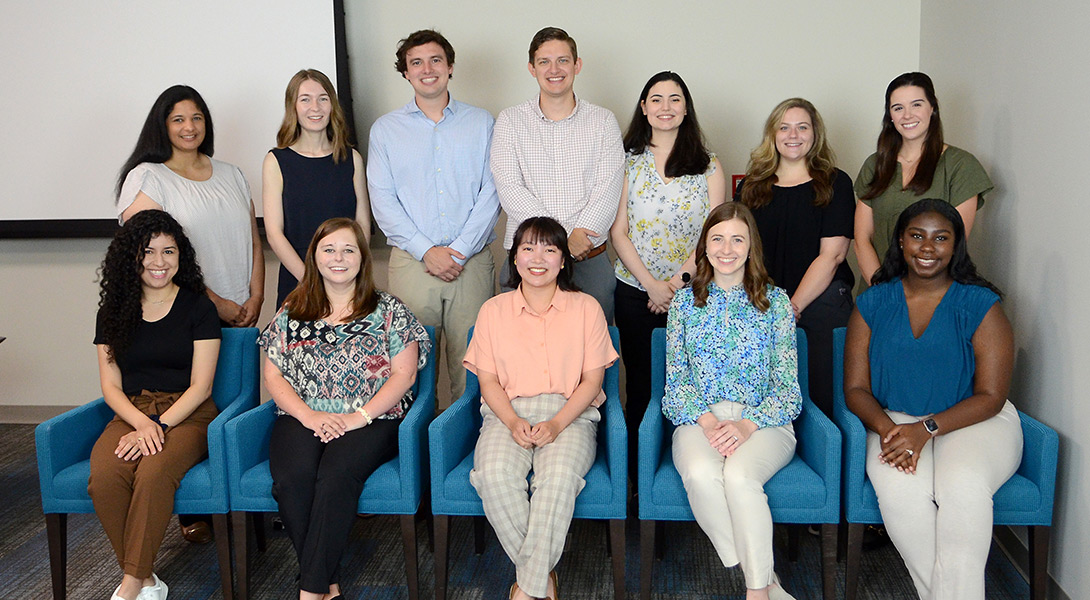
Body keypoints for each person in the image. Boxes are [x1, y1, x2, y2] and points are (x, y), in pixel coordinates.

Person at [844, 199, 1019, 599]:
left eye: (941, 238)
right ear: (900, 242)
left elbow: (992, 396)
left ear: (956, 245)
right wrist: (892, 431)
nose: (928, 248)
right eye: (917, 236)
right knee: (900, 496)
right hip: (892, 421)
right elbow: (855, 389)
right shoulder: (872, 303)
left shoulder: (981, 305)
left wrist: (925, 430)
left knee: (963, 486)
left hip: (976, 423)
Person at [116, 84, 264, 543]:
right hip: (187, 315)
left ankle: (236, 504)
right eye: (178, 118)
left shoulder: (231, 174)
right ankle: (192, 511)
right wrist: (216, 302)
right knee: (188, 406)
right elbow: (149, 257)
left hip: (243, 312)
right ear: (162, 125)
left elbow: (253, 240)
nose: (189, 127)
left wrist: (256, 295)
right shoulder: (148, 177)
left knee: (235, 410)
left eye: (197, 117)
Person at [259, 218, 431, 600]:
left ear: (362, 258)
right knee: (292, 479)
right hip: (302, 415)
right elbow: (273, 377)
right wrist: (310, 416)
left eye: (348, 250)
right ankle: (327, 586)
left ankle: (309, 591)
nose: (339, 258)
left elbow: (403, 376)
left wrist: (358, 417)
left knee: (336, 475)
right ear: (315, 256)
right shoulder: (293, 308)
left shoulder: (389, 310)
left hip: (373, 418)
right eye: (329, 249)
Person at [464, 217, 618, 600]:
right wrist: (514, 421)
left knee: (558, 479)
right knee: (494, 474)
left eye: (550, 249)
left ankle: (526, 588)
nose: (538, 258)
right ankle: (541, 582)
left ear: (564, 261)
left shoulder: (586, 309)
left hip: (571, 414)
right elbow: (488, 384)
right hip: (505, 413)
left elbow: (592, 383)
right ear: (514, 259)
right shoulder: (492, 311)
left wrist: (556, 423)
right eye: (528, 248)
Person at [663, 203, 801, 600]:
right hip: (698, 418)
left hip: (765, 421)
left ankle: (756, 592)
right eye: (717, 239)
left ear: (750, 246)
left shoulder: (775, 303)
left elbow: (788, 388)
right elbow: (677, 382)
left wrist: (745, 426)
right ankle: (764, 579)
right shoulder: (685, 303)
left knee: (740, 477)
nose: (727, 248)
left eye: (737, 239)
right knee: (702, 476)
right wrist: (709, 423)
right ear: (704, 247)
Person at [88, 210, 222, 600]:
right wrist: (142, 423)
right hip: (132, 411)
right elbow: (111, 387)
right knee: (105, 476)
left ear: (182, 256)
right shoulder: (111, 312)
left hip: (188, 415)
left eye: (169, 251)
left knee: (153, 472)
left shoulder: (199, 308)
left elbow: (201, 386)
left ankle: (131, 585)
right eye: (148, 252)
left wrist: (159, 426)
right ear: (131, 256)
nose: (159, 262)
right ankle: (147, 579)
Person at [368, 29, 500, 404]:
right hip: (412, 264)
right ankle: (419, 458)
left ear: (450, 67)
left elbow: (492, 192)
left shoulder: (481, 123)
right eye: (416, 62)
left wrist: (457, 250)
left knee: (473, 368)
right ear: (406, 73)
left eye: (435, 60)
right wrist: (428, 251)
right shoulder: (386, 130)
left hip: (470, 264)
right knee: (412, 372)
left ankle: (466, 456)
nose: (427, 69)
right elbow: (383, 200)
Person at [609, 71, 725, 481]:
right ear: (643, 108)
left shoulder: (708, 165)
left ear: (686, 107)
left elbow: (717, 232)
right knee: (640, 383)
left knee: (686, 383)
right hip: (634, 289)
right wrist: (652, 286)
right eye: (656, 99)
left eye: (675, 99)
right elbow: (617, 232)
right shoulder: (625, 161)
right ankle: (639, 475)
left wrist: (677, 283)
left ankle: (683, 471)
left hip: (692, 293)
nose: (665, 107)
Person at [490, 26, 624, 322]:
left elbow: (609, 187)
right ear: (531, 68)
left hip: (588, 257)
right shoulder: (511, 121)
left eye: (563, 60)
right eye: (544, 62)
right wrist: (556, 242)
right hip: (528, 262)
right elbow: (510, 187)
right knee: (521, 356)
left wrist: (577, 237)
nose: (554, 69)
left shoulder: (603, 121)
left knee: (592, 357)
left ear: (577, 65)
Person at [736, 98, 854, 417]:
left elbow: (833, 255)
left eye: (803, 127)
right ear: (772, 134)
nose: (793, 135)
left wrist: (793, 307)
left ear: (815, 134)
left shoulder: (835, 182)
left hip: (820, 298)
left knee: (820, 393)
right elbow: (739, 254)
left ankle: (825, 457)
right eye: (784, 127)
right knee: (759, 390)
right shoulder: (750, 187)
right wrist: (769, 305)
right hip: (763, 298)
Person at [855, 72, 993, 285]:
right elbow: (862, 239)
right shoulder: (875, 165)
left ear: (933, 108)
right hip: (877, 293)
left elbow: (953, 244)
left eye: (916, 105)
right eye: (898, 108)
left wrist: (910, 299)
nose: (907, 115)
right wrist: (883, 294)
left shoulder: (961, 165)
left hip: (935, 295)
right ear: (890, 116)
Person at [264, 69, 371, 308]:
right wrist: (311, 282)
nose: (316, 107)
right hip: (298, 280)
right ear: (292, 106)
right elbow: (274, 233)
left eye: (323, 98)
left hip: (347, 277)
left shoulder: (352, 158)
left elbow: (362, 224)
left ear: (332, 105)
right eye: (305, 99)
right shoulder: (276, 161)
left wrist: (343, 277)